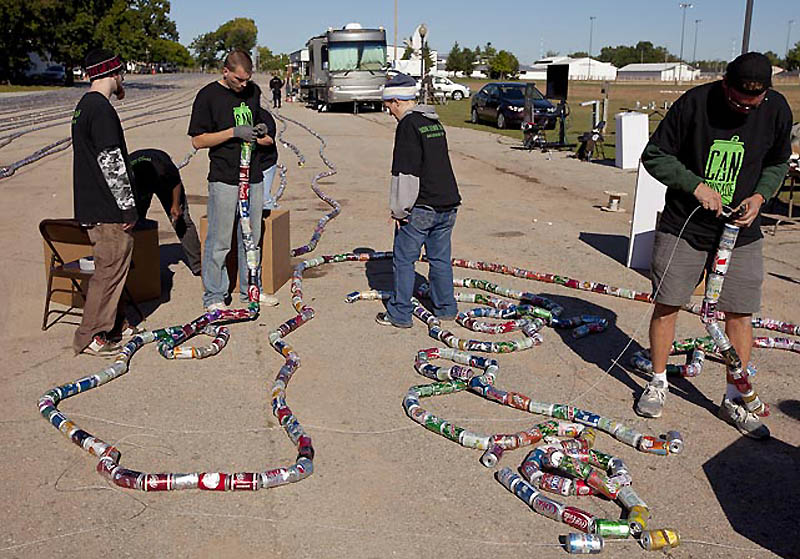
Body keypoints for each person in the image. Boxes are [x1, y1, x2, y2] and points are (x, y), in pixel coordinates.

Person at [635, 52, 793, 439]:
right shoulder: (695, 103)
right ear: (725, 86)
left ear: (766, 93)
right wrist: (695, 186)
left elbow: (778, 162)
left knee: (740, 313)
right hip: (685, 225)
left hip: (741, 231)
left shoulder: (776, 110)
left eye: (753, 103)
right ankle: (658, 381)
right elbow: (654, 155)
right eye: (738, 101)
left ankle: (733, 398)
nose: (744, 109)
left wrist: (760, 197)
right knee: (668, 303)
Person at [188, 50, 279, 311]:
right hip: (225, 178)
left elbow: (263, 129)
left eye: (247, 79)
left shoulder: (253, 92)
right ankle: (215, 296)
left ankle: (251, 290)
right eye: (239, 79)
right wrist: (232, 133)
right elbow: (198, 141)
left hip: (253, 176)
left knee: (252, 238)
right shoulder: (208, 96)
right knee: (219, 240)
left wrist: (262, 132)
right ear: (225, 71)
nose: (243, 84)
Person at [375, 73, 461, 329]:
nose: (389, 112)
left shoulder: (408, 126)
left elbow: (406, 172)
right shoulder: (433, 122)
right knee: (440, 259)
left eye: (388, 106)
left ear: (397, 101)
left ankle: (400, 313)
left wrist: (400, 211)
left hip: (422, 206)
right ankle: (446, 308)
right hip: (448, 203)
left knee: (403, 259)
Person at [71, 48, 139, 357]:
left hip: (92, 204)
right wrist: (128, 207)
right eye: (120, 72)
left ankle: (115, 324)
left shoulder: (84, 106)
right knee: (108, 272)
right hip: (107, 208)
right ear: (113, 73)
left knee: (113, 268)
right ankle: (91, 336)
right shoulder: (101, 110)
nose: (122, 78)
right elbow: (111, 162)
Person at [129, 148, 202, 275]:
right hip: (138, 187)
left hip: (164, 183)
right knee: (134, 222)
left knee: (182, 221)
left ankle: (198, 265)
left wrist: (175, 204)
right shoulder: (128, 172)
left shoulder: (163, 166)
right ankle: (136, 263)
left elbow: (176, 182)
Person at [258, 106, 279, 211]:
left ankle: (270, 214)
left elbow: (269, 140)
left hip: (266, 162)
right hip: (242, 164)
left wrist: (249, 138)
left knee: (264, 198)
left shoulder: (263, 116)